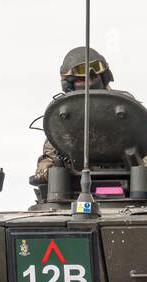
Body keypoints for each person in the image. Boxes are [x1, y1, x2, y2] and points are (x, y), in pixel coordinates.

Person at [31, 47, 114, 185]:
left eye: (94, 74)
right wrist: (46, 169)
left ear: (104, 76)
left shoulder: (122, 107)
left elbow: (141, 147)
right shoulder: (63, 114)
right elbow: (50, 157)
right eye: (82, 78)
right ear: (69, 83)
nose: (89, 80)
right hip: (74, 185)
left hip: (125, 182)